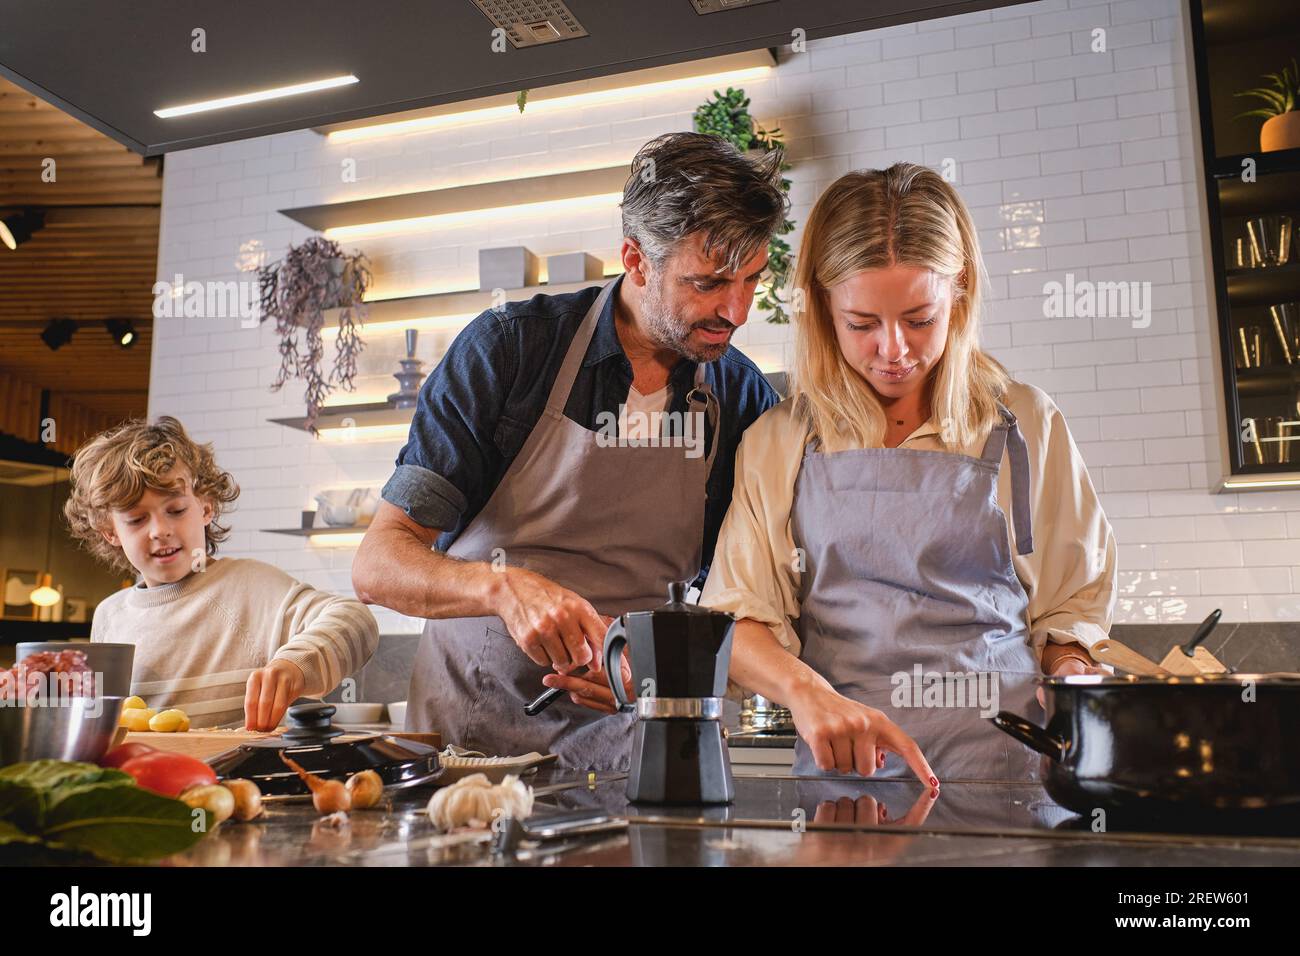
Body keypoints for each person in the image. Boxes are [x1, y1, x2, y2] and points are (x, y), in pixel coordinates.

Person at [352, 132, 785, 770]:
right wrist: (502, 588)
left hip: (642, 744)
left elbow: (748, 597)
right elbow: (378, 564)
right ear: (637, 260)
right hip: (477, 747)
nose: (737, 310)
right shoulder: (511, 351)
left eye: (752, 279)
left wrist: (672, 671)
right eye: (710, 283)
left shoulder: (741, 397)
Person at [701, 163, 1116, 784]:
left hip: (1004, 772)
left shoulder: (1027, 423)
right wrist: (813, 699)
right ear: (821, 307)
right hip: (842, 779)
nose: (893, 349)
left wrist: (1074, 668)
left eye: (920, 319)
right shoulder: (780, 439)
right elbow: (741, 620)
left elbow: (1068, 608)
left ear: (962, 292)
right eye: (861, 324)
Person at [67, 416, 379, 729]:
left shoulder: (252, 587)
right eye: (136, 520)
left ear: (206, 507)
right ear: (110, 532)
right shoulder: (109, 616)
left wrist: (295, 665)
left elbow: (356, 620)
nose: (160, 530)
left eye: (176, 511)